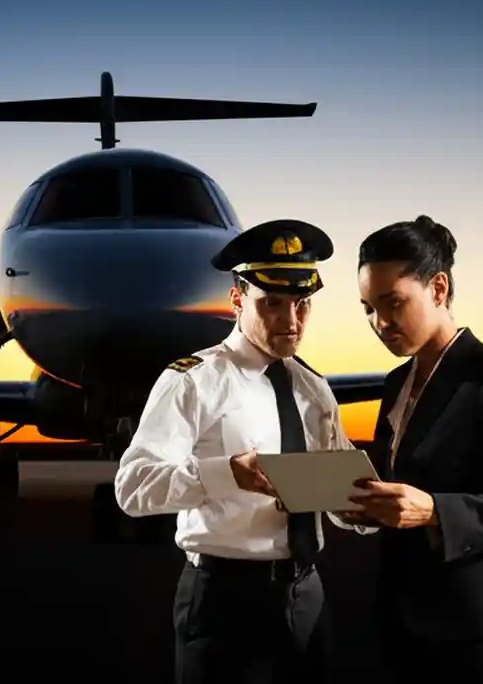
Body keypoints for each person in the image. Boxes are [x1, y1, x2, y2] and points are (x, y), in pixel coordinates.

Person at [114, 219, 375, 684]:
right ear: (237, 299)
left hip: (307, 592)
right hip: (225, 600)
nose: (290, 322)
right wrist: (227, 472)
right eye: (272, 304)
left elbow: (334, 495)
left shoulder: (313, 388)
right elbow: (133, 488)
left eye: (301, 305)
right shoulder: (193, 381)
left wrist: (363, 506)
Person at [342, 214, 483, 683]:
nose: (380, 323)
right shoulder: (396, 382)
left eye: (393, 303)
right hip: (401, 623)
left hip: (478, 629)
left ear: (438, 289)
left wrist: (435, 511)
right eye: (366, 308)